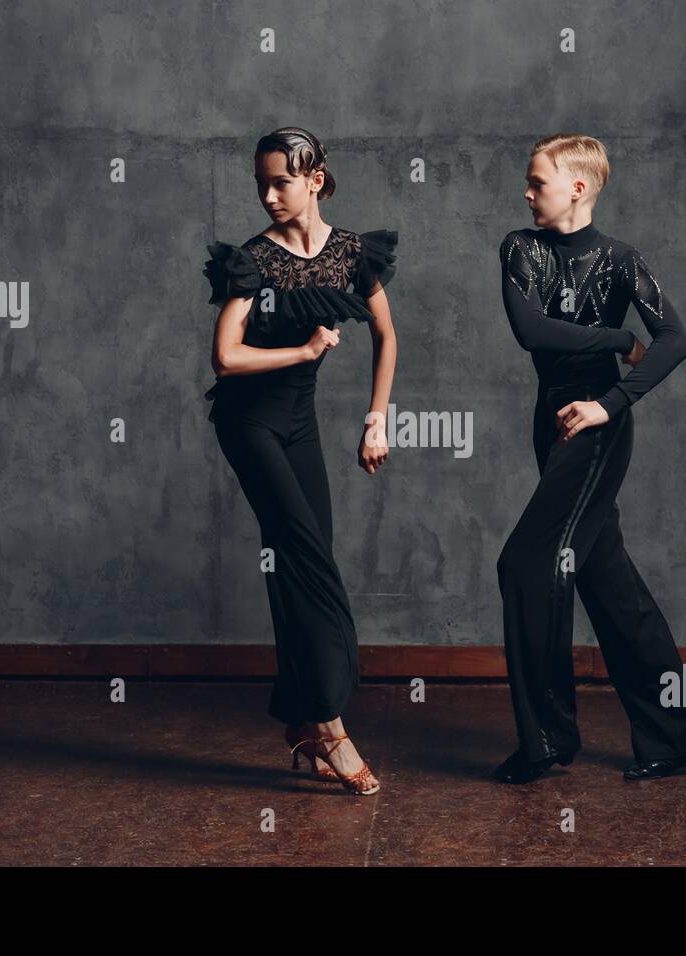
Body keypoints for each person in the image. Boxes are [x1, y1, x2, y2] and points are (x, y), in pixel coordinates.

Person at [493, 133, 686, 784]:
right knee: (610, 585)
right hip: (552, 421)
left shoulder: (622, 261)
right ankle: (681, 738)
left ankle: (547, 740)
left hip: (595, 429)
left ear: (579, 187)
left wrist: (611, 403)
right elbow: (532, 332)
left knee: (524, 565)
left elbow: (675, 340)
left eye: (538, 182)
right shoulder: (520, 249)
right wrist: (622, 336)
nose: (527, 192)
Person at [203, 127, 398, 795]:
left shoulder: (350, 254)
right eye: (260, 182)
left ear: (314, 179)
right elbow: (225, 358)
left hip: (299, 425)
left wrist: (377, 419)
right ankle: (331, 729)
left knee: (304, 558)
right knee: (307, 560)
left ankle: (301, 722)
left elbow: (387, 333)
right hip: (248, 422)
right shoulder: (254, 262)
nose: (267, 195)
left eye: (280, 181)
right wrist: (304, 353)